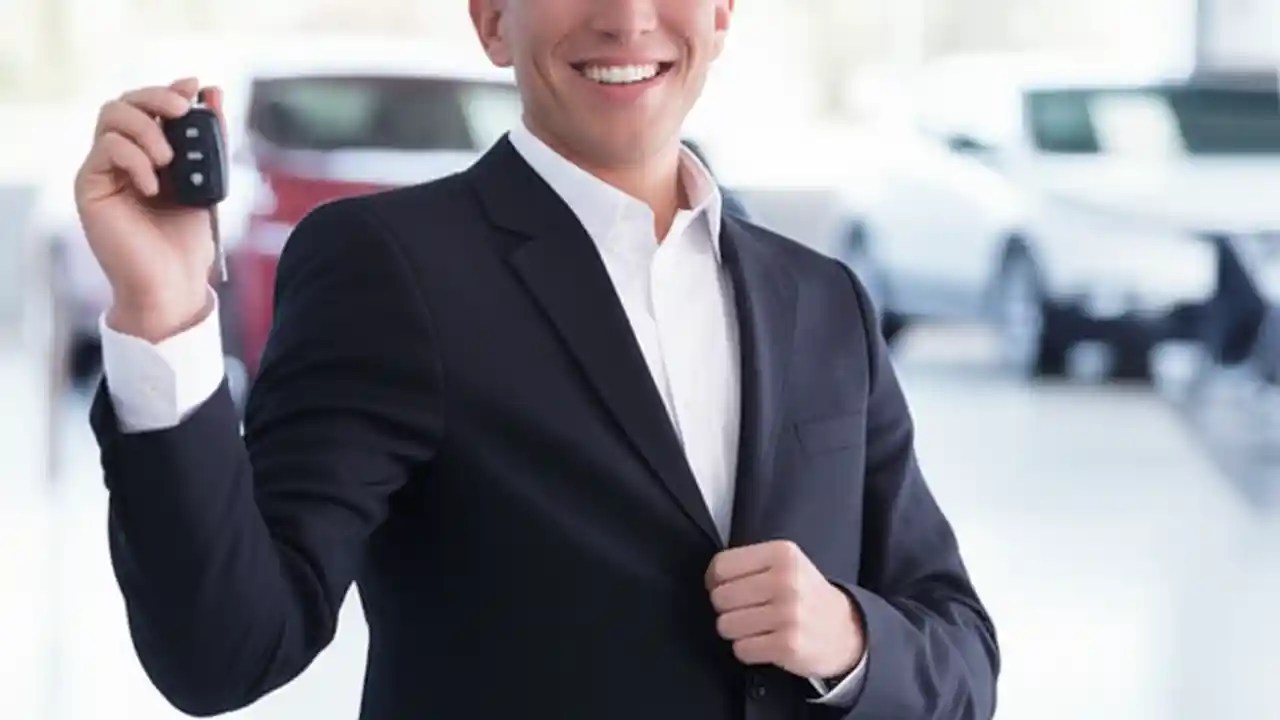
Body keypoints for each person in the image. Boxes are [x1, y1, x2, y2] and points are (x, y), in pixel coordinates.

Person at [73, 0, 999, 717]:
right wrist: (163, 313)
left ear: (722, 13)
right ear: (491, 19)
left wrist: (851, 640)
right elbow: (226, 651)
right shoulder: (389, 267)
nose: (627, 18)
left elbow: (961, 652)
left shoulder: (823, 300)